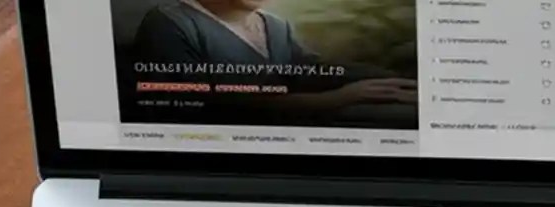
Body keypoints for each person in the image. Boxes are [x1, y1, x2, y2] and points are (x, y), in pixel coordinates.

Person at [131, 0, 416, 117]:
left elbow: (313, 70)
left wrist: (394, 81)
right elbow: (203, 104)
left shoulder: (274, 25)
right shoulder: (169, 22)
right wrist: (338, 98)